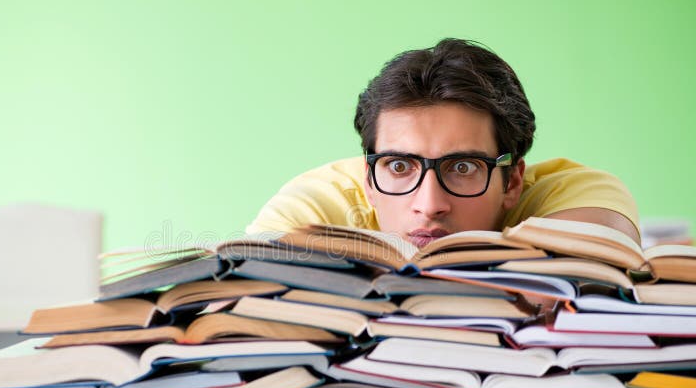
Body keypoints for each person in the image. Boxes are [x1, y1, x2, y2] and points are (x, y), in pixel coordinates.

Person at [247, 38, 640, 246]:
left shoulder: (572, 191)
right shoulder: (315, 202)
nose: (430, 206)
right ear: (368, 181)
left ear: (513, 182)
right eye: (399, 167)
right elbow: (233, 309)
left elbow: (595, 267)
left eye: (464, 167)